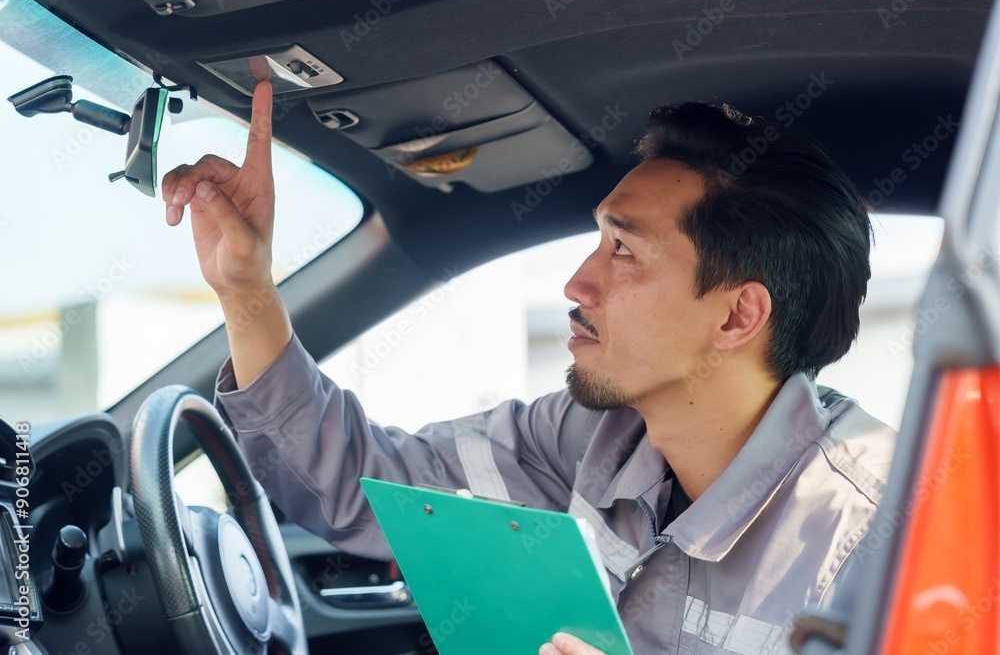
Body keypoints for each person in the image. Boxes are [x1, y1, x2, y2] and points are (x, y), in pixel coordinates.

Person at [163, 80, 895, 655]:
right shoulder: (589, 438)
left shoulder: (881, 533)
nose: (577, 284)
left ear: (738, 316)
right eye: (596, 239)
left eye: (624, 251)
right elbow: (360, 484)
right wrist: (247, 290)